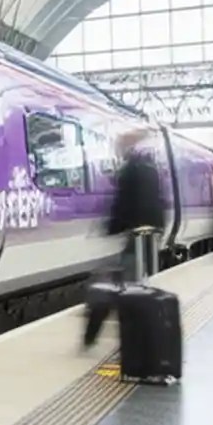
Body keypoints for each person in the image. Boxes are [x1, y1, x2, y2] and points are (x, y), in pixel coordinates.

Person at [84, 129, 166, 348]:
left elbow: (125, 205)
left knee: (116, 286)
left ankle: (99, 336)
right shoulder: (150, 169)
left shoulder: (131, 170)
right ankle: (135, 336)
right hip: (148, 236)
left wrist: (109, 229)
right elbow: (156, 204)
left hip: (134, 236)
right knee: (134, 284)